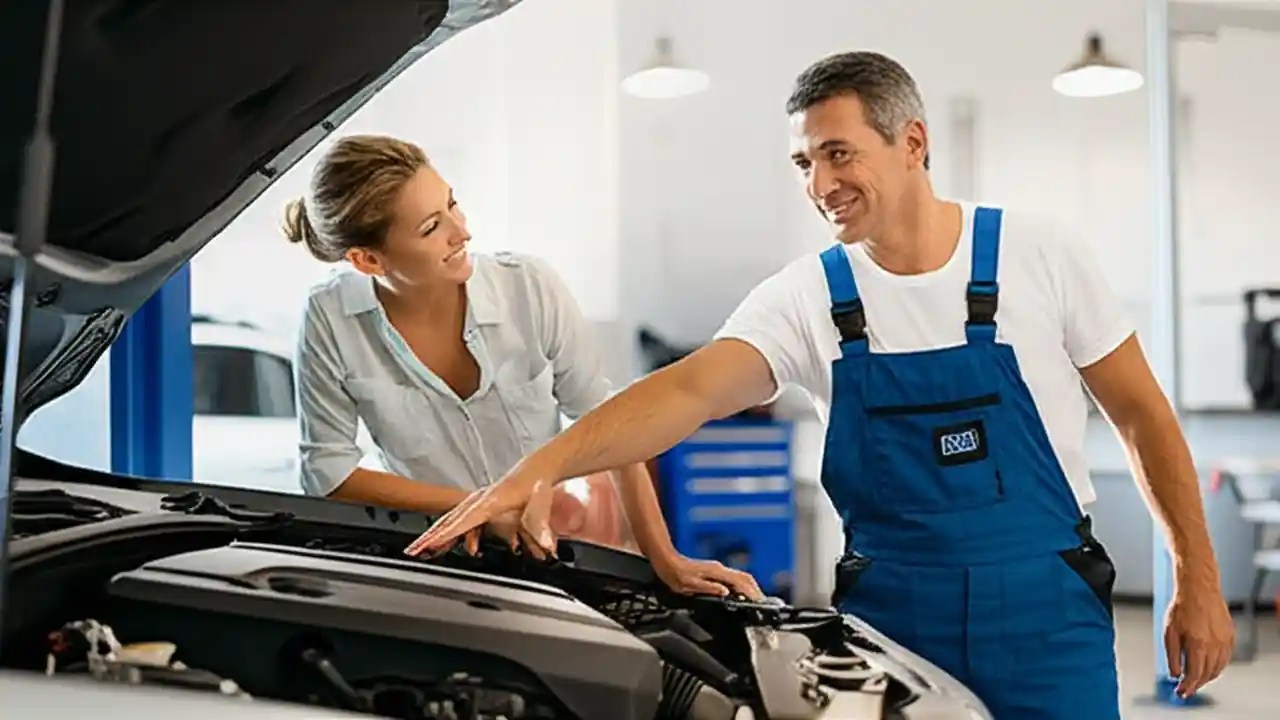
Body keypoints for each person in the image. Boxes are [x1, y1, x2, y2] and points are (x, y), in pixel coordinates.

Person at [405, 52, 1237, 718]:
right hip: (892, 623)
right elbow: (684, 394)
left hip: (1049, 614)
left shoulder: (1041, 255)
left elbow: (1142, 417)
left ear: (912, 143)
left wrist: (1195, 580)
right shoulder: (808, 297)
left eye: (838, 153)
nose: (818, 183)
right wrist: (537, 470)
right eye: (804, 161)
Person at [282, 133, 761, 600]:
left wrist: (665, 559)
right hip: (438, 560)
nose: (462, 230)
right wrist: (480, 509)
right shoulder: (329, 318)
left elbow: (611, 423)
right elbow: (330, 474)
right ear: (367, 260)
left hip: (554, 543)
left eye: (452, 204)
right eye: (431, 227)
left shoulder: (529, 288)